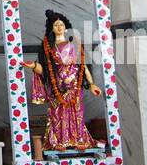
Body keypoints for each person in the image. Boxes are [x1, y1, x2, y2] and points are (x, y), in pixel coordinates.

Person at [28, 10, 101, 152]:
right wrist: (33, 66)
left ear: (66, 27)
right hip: (57, 87)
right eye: (56, 25)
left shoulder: (74, 45)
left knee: (77, 112)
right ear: (52, 28)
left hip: (75, 85)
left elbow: (83, 66)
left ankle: (78, 139)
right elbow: (45, 70)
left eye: (61, 24)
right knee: (57, 113)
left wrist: (91, 84)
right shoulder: (47, 48)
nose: (59, 27)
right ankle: (58, 140)